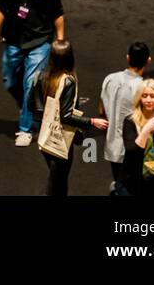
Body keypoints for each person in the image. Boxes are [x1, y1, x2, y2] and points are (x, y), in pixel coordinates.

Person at [0, 0, 65, 146]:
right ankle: (27, 107)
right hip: (13, 39)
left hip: (40, 41)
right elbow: (0, 7)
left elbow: (57, 13)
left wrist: (60, 40)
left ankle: (25, 129)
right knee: (10, 80)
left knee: (30, 83)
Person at [29, 40, 108, 195]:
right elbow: (65, 116)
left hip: (45, 135)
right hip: (60, 140)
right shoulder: (68, 81)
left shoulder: (39, 76)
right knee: (56, 183)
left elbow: (33, 105)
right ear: (70, 58)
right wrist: (92, 121)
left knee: (58, 179)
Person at [99, 41, 151, 194]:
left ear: (128, 58)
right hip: (133, 148)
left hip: (112, 144)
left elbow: (101, 110)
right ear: (148, 61)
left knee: (119, 182)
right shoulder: (144, 88)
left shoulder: (109, 79)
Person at [121, 79, 154, 196]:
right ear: (139, 98)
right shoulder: (130, 121)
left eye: (152, 96)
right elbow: (131, 151)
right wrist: (146, 130)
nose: (148, 100)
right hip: (135, 180)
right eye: (144, 96)